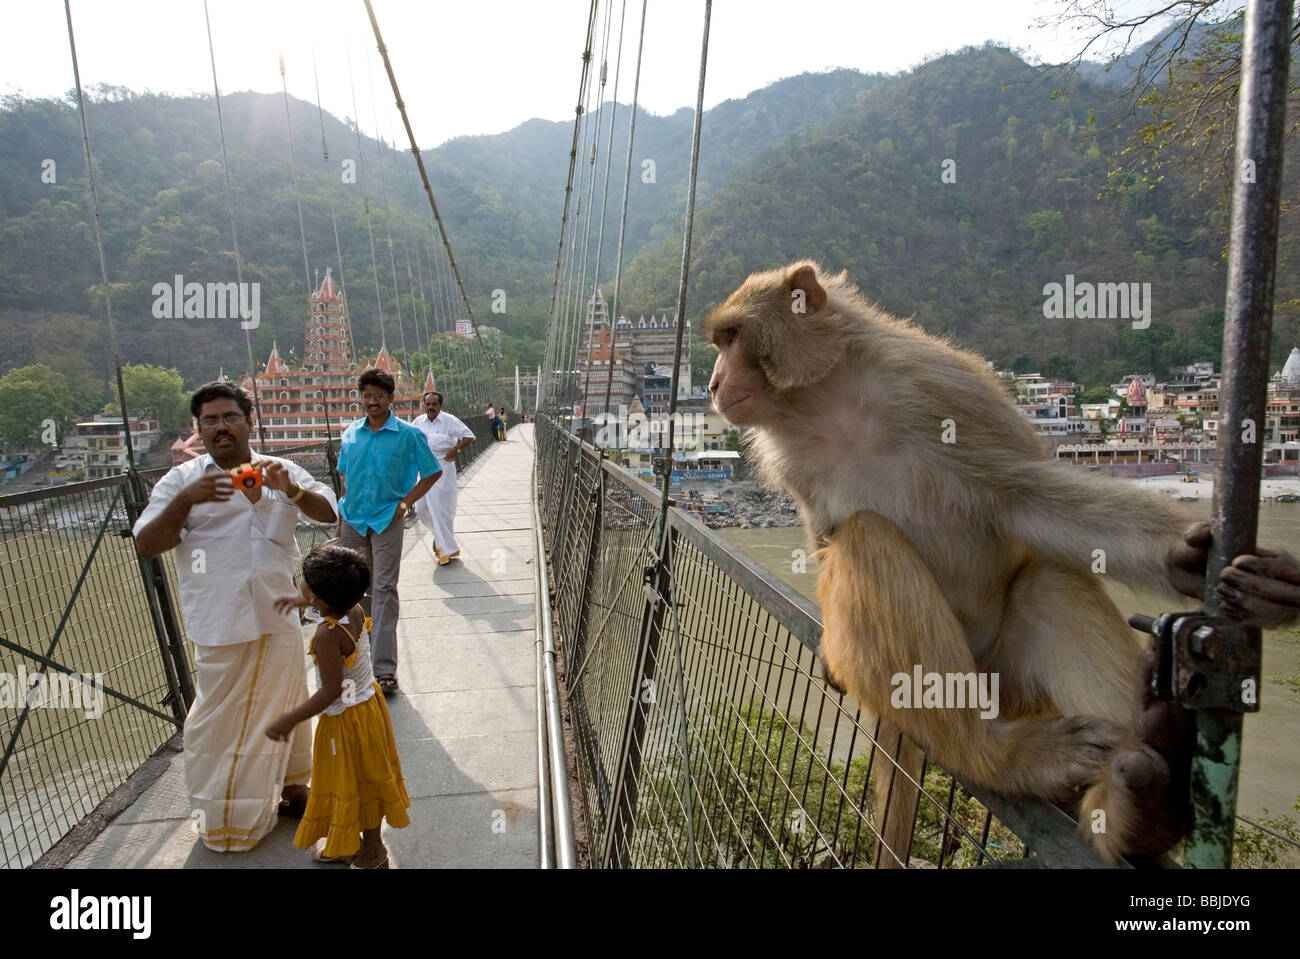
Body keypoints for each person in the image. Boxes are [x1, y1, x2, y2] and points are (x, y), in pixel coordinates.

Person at [133, 382, 338, 853]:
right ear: (198, 428)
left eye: (229, 417)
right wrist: (187, 500)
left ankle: (291, 787)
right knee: (214, 722)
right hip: (220, 620)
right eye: (210, 420)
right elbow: (147, 544)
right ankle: (224, 818)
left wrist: (295, 490)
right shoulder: (180, 482)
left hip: (277, 612)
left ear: (250, 421)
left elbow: (329, 514)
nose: (220, 427)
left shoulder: (280, 469)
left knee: (287, 701)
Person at [265, 544, 410, 869]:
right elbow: (330, 602)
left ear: (319, 599)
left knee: (349, 782)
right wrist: (303, 600)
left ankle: (371, 853)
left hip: (344, 722)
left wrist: (291, 718)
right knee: (367, 780)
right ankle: (353, 845)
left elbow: (330, 690)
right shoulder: (354, 609)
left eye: (307, 587)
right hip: (368, 708)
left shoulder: (327, 636)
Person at [336, 369, 441, 694]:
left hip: (387, 519)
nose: (371, 401)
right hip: (353, 519)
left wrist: (405, 504)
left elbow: (432, 472)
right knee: (353, 592)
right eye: (366, 396)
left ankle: (384, 670)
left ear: (390, 398)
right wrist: (341, 515)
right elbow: (343, 477)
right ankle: (357, 661)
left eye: (378, 396)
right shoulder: (351, 433)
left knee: (383, 589)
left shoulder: (408, 435)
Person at [411, 390, 475, 566]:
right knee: (420, 508)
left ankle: (444, 552)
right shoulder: (418, 422)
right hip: (424, 469)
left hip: (443, 468)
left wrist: (456, 449)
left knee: (441, 510)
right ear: (424, 405)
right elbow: (410, 442)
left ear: (440, 406)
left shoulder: (449, 420)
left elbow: (469, 435)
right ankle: (440, 536)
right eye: (428, 404)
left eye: (434, 404)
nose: (431, 407)